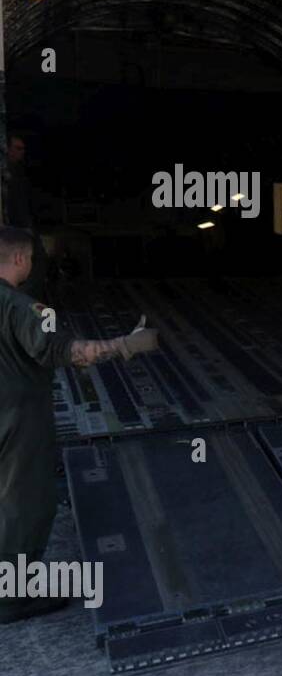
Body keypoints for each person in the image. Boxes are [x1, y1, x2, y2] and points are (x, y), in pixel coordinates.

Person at [0, 225, 160, 624]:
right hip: (19, 419)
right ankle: (12, 597)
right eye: (32, 259)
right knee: (26, 504)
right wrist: (126, 344)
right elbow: (68, 351)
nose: (33, 266)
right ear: (19, 259)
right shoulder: (25, 309)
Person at [3, 134, 47, 302]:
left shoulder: (17, 173)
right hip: (15, 227)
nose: (22, 152)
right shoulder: (8, 175)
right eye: (18, 148)